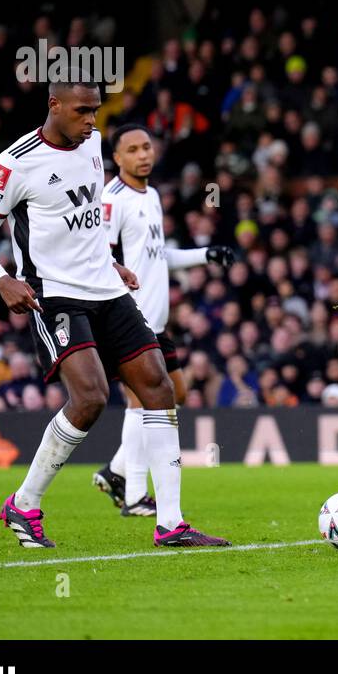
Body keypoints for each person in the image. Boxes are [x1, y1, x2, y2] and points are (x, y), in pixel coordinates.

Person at [0, 79, 227, 548]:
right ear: (55, 105)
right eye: (83, 111)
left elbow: (86, 220)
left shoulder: (93, 143)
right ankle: (24, 504)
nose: (92, 122)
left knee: (158, 386)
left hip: (107, 288)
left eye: (96, 112)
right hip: (54, 294)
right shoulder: (16, 162)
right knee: (90, 398)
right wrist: (3, 279)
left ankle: (171, 523)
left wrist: (112, 264)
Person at [92, 123, 236, 516]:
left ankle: (117, 470)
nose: (143, 155)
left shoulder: (152, 196)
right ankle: (136, 494)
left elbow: (159, 256)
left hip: (156, 320)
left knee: (175, 396)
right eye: (133, 149)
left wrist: (205, 255)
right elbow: (100, 257)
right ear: (117, 158)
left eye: (147, 147)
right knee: (143, 402)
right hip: (129, 318)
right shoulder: (112, 199)